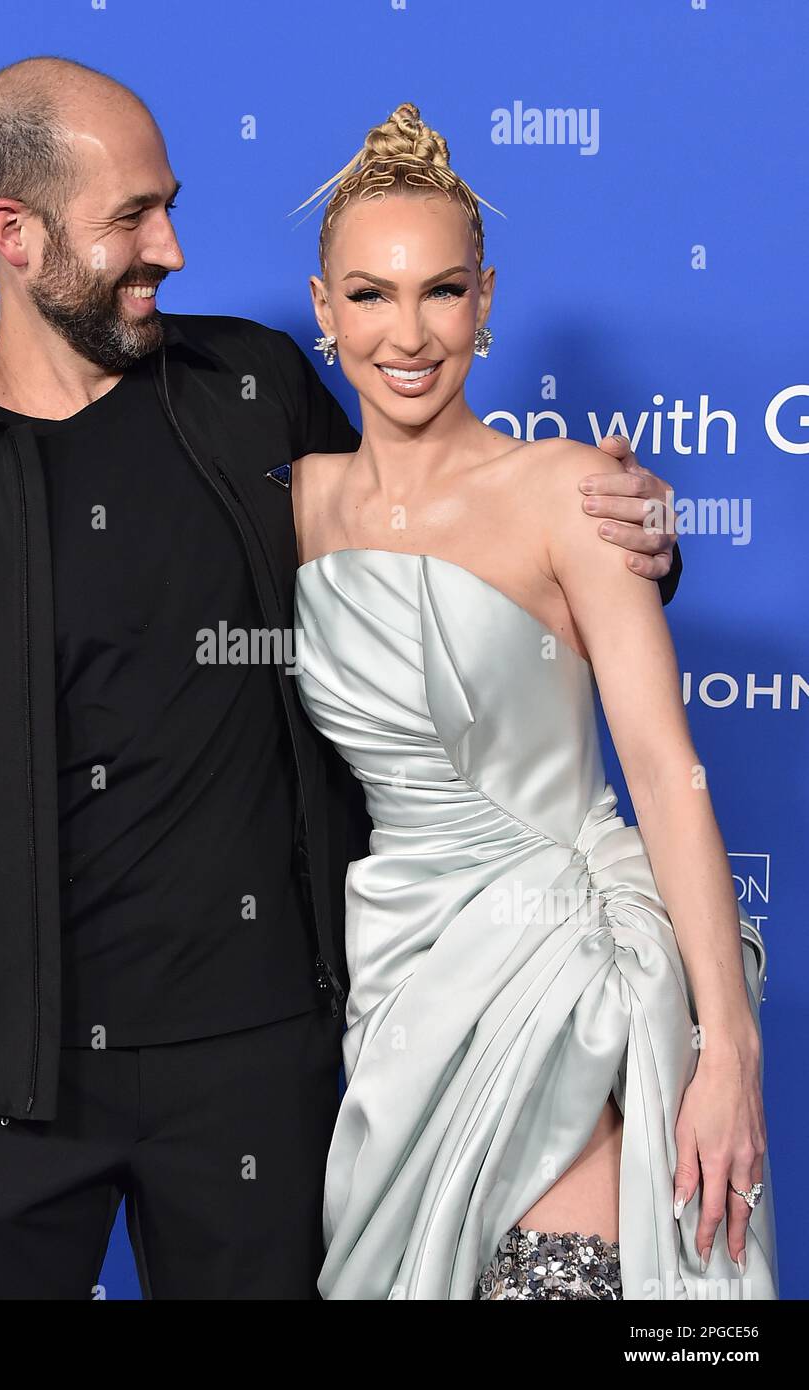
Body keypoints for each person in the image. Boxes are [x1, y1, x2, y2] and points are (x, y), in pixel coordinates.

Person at [0, 61, 682, 1300]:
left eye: (170, 205)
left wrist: (628, 544)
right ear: (15, 235)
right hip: (0, 1088)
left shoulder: (250, 393)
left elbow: (426, 549)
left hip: (261, 1067)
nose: (175, 248)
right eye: (133, 218)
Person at [289, 102, 777, 1300]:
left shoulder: (569, 493)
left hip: (569, 963)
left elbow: (665, 772)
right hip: (401, 972)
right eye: (369, 295)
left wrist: (728, 1051)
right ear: (321, 310)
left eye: (440, 292)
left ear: (487, 302)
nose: (406, 333)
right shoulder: (291, 501)